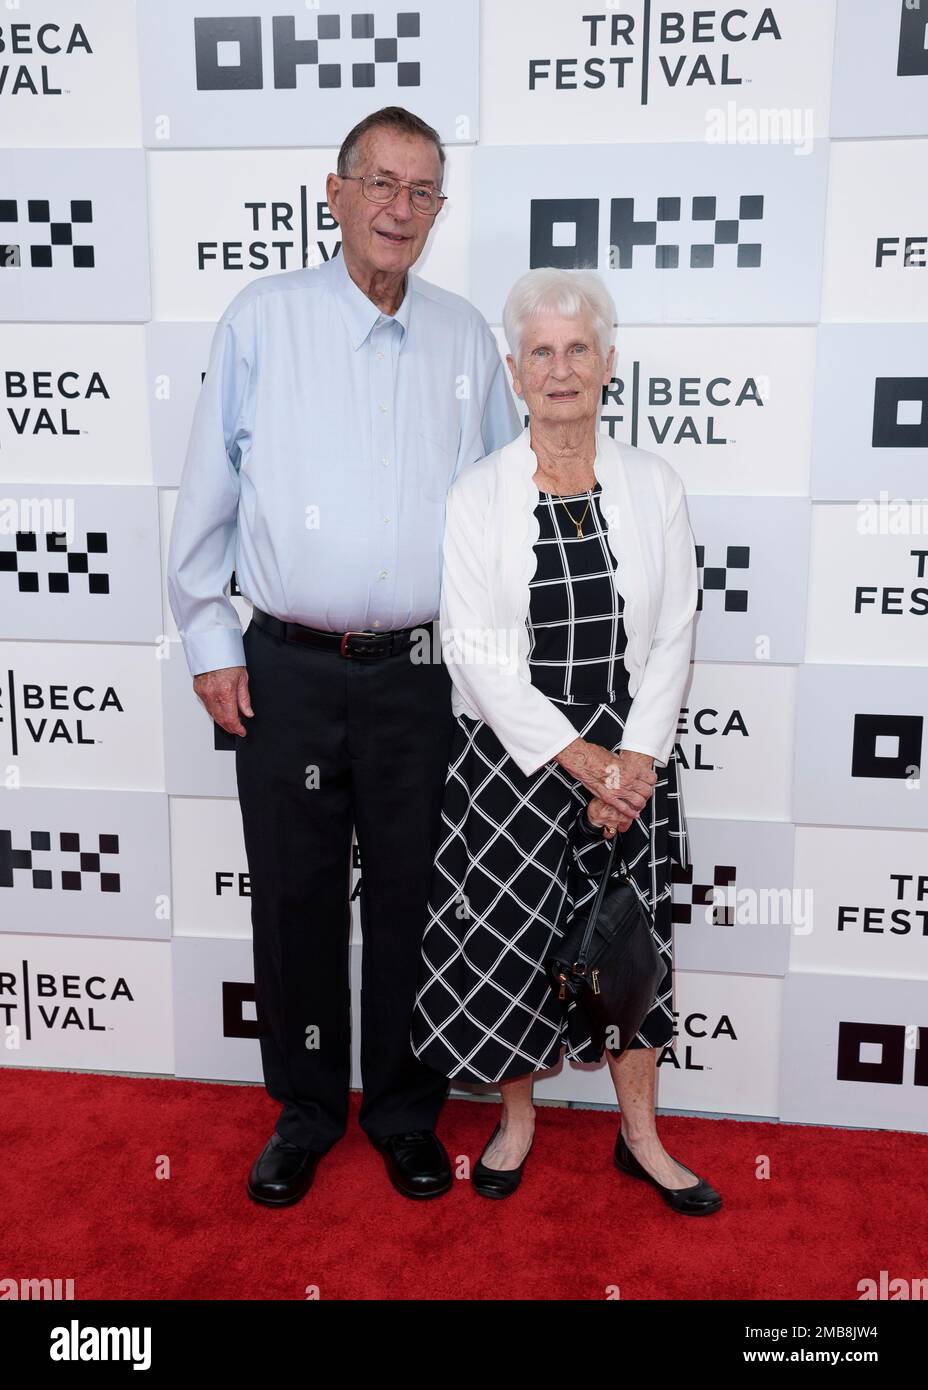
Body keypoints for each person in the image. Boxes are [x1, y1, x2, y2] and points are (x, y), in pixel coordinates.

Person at [167, 106, 521, 1207]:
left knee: (417, 897)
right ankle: (310, 1111)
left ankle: (408, 1111)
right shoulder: (262, 320)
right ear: (333, 192)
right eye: (379, 183)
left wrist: (493, 666)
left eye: (421, 192)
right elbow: (208, 497)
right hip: (285, 669)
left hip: (424, 677)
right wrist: (210, 636)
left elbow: (503, 509)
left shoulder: (465, 338)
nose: (397, 209)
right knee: (296, 897)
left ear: (439, 212)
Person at [411, 267, 722, 1215]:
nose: (560, 368)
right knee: (512, 946)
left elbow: (675, 632)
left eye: (578, 349)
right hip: (515, 762)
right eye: (540, 352)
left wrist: (631, 764)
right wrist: (576, 759)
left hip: (632, 756)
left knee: (633, 952)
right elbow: (471, 653)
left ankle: (642, 1138)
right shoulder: (477, 496)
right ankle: (516, 1123)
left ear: (609, 364)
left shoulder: (653, 484)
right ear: (513, 370)